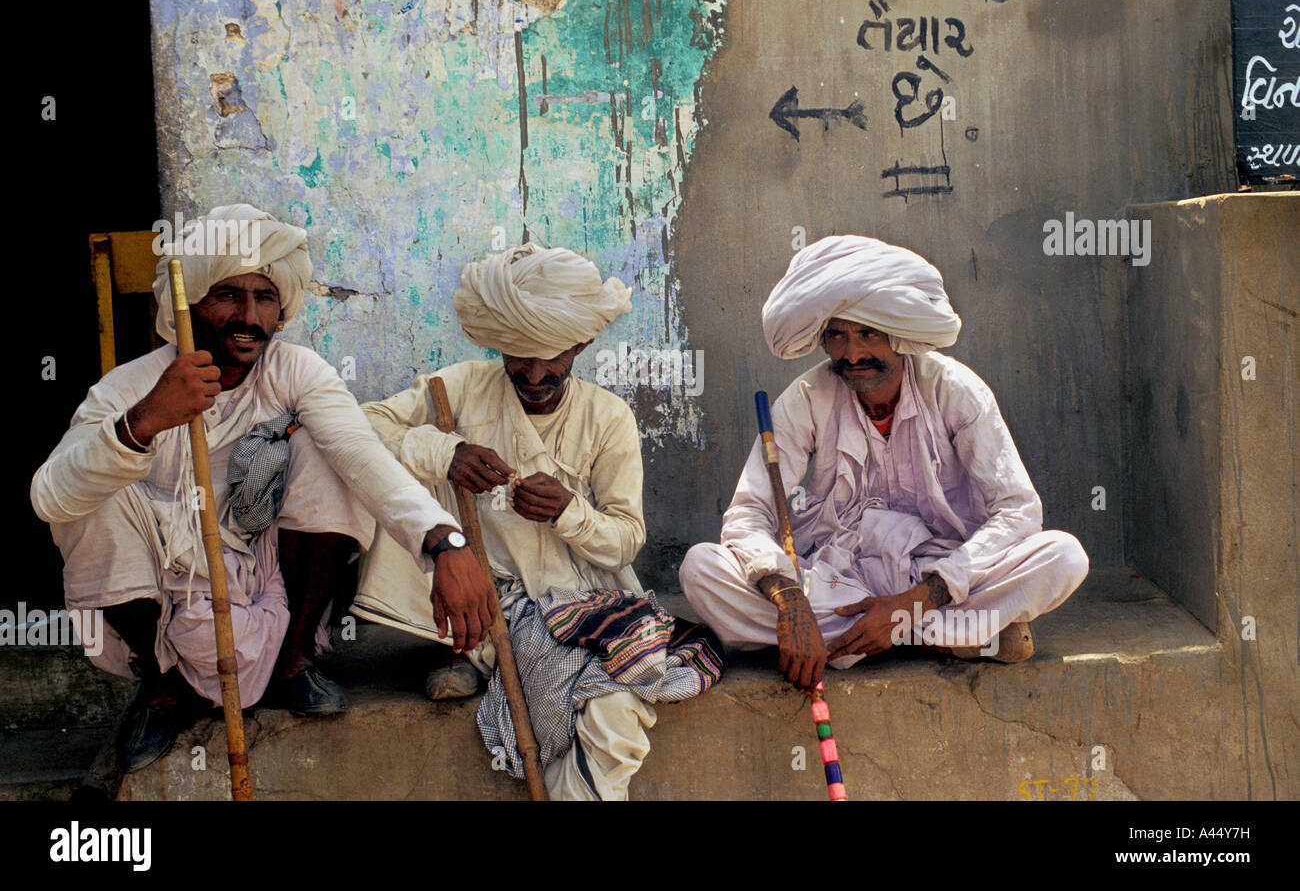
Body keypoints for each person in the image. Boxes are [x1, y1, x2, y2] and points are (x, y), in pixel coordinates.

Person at [30, 204, 491, 771]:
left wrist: (445, 542)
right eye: (228, 295)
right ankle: (164, 686)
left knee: (327, 454)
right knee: (90, 493)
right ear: (191, 303)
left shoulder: (295, 371)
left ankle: (294, 660)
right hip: (169, 583)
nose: (249, 316)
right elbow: (48, 497)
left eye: (265, 297)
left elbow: (362, 454)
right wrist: (145, 420)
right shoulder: (130, 387)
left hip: (264, 567)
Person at [353, 242, 721, 800]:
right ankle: (467, 650)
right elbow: (359, 426)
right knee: (395, 464)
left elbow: (626, 541)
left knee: (616, 713)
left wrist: (570, 513)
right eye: (517, 354)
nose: (532, 371)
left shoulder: (608, 417)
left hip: (578, 601)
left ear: (581, 343)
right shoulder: (459, 387)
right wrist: (443, 451)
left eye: (549, 355)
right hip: (471, 592)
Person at [679, 234, 1089, 692]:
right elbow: (749, 513)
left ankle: (864, 641)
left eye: (868, 333)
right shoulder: (805, 399)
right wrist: (791, 600)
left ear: (899, 333)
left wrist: (913, 604)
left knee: (1063, 556)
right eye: (837, 335)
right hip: (835, 584)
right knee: (700, 568)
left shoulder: (956, 390)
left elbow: (1016, 510)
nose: (852, 354)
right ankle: (948, 638)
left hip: (937, 580)